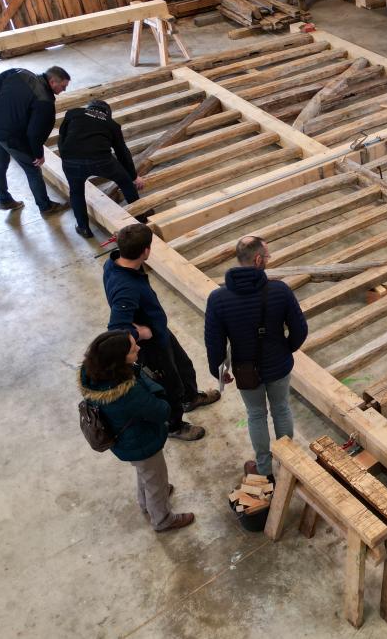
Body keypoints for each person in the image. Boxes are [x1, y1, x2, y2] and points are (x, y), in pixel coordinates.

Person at [204, 236, 308, 479]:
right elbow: (300, 330)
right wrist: (285, 349)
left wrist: (218, 370)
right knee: (281, 409)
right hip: (278, 365)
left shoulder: (218, 299)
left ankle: (264, 470)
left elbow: (214, 341)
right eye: (268, 257)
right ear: (259, 259)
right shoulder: (279, 291)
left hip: (245, 370)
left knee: (256, 415)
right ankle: (287, 465)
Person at [104, 223, 219, 442]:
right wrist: (142, 334)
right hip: (150, 345)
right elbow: (117, 329)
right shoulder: (125, 286)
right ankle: (174, 425)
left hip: (159, 331)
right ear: (145, 252)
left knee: (184, 366)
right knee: (170, 387)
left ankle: (191, 398)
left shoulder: (117, 262)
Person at [79, 330, 194, 532]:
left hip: (124, 440)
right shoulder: (128, 393)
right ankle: (162, 519)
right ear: (118, 361)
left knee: (146, 473)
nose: (138, 348)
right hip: (141, 442)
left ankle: (146, 502)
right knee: (156, 478)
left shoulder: (93, 375)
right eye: (133, 349)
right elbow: (161, 411)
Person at [0, 66, 72, 214]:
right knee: (33, 169)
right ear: (53, 81)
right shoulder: (45, 101)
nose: (64, 90)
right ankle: (45, 206)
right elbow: (34, 133)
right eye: (63, 86)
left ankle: (4, 200)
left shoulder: (19, 72)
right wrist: (38, 154)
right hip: (10, 137)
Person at [59, 99, 146, 238]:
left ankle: (83, 228)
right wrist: (133, 176)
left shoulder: (73, 114)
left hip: (72, 160)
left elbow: (62, 137)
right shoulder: (111, 124)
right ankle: (141, 217)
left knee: (76, 192)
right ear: (107, 113)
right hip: (101, 160)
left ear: (89, 108)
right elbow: (122, 152)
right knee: (125, 182)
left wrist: (66, 157)